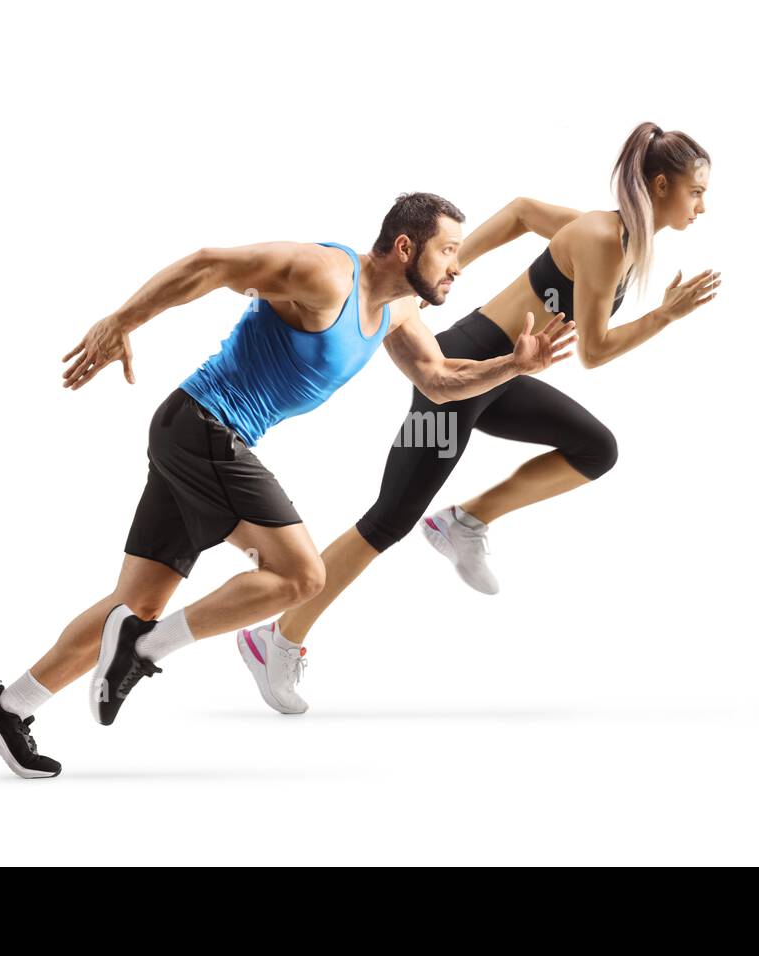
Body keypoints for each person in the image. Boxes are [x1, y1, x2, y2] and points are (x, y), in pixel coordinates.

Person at [0, 192, 578, 777]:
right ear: (405, 249)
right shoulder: (325, 275)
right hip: (205, 426)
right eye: (448, 250)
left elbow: (440, 380)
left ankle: (8, 708)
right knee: (301, 576)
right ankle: (145, 651)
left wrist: (512, 366)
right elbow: (210, 264)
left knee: (136, 602)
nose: (458, 266)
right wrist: (122, 320)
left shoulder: (398, 308)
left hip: (197, 434)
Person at [249, 123, 719, 712]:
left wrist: (442, 274)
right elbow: (594, 351)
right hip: (459, 373)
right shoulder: (605, 238)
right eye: (695, 191)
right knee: (389, 518)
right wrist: (665, 317)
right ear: (659, 184)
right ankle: (277, 639)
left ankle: (464, 524)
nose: (702, 205)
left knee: (595, 449)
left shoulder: (614, 237)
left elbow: (522, 212)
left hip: (503, 378)